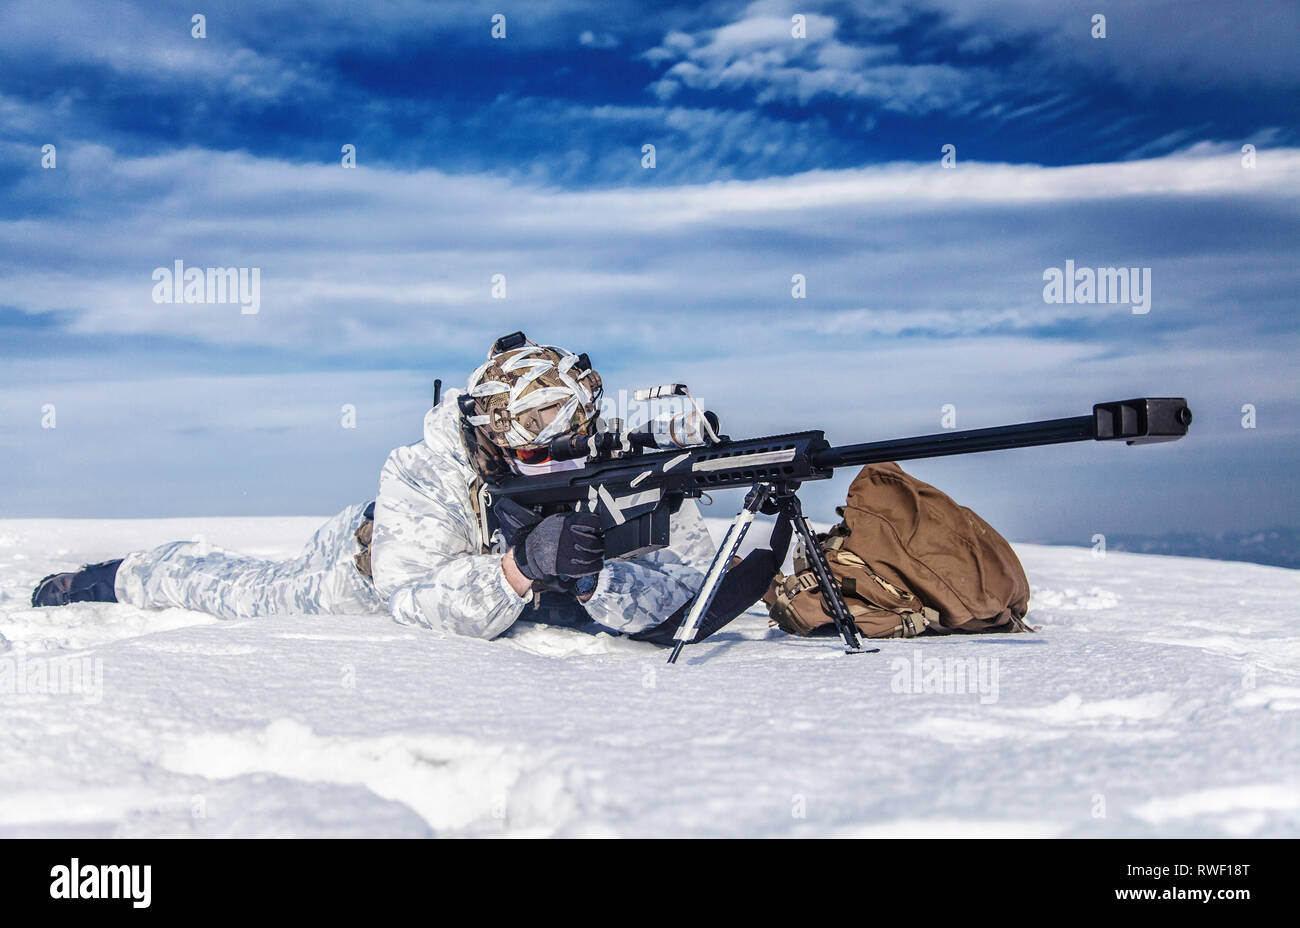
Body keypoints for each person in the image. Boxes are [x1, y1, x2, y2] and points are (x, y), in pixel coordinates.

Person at [31, 334, 718, 641]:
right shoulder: (424, 469)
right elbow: (411, 601)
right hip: (357, 567)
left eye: (567, 449)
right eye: (533, 452)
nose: (554, 463)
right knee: (234, 591)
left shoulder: (610, 461)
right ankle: (119, 575)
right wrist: (517, 570)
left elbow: (678, 588)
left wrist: (598, 583)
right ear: (490, 437)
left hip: (440, 560)